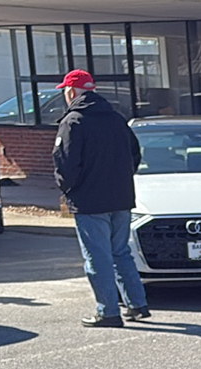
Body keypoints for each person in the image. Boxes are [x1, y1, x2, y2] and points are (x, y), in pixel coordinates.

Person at [52, 69, 150, 327]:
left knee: (98, 257)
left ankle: (107, 311)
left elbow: (65, 163)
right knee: (120, 252)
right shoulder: (116, 119)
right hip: (121, 198)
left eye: (65, 90)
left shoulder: (72, 122)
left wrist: (67, 189)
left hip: (90, 202)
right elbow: (135, 155)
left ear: (71, 92)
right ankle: (137, 304)